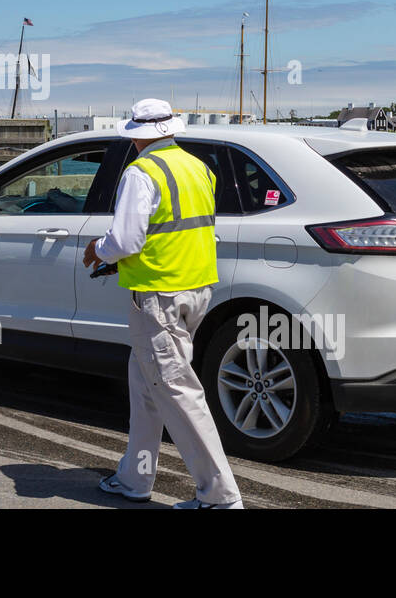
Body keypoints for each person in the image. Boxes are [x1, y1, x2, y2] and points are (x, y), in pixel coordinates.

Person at [83, 98, 243, 509]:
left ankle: (220, 497)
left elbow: (126, 241)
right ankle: (135, 479)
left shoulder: (141, 173)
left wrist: (97, 250)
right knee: (147, 386)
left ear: (136, 136)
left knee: (177, 391)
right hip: (196, 289)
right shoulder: (199, 168)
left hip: (157, 298)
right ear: (170, 129)